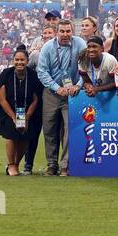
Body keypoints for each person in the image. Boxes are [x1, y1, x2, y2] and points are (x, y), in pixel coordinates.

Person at [36, 18, 86, 176]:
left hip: (73, 94)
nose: (65, 34)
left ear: (73, 31)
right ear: (56, 32)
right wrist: (57, 88)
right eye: (62, 31)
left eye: (68, 31)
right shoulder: (47, 47)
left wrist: (78, 85)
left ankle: (65, 165)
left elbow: (86, 68)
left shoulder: (80, 44)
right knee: (49, 129)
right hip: (52, 93)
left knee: (68, 129)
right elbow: (42, 71)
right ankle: (52, 164)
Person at [0, 46, 43, 176]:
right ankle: (11, 165)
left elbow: (36, 99)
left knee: (25, 137)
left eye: (22, 60)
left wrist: (26, 117)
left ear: (27, 61)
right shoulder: (6, 74)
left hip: (27, 112)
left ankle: (16, 164)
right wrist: (14, 117)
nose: (19, 62)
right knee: (11, 135)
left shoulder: (33, 75)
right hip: (9, 111)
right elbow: (2, 99)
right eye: (17, 60)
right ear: (13, 60)